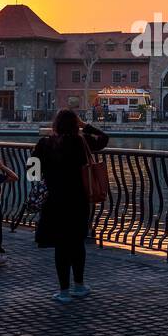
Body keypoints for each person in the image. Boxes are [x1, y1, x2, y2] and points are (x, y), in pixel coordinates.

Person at [33, 109, 108, 303]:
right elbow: (104, 138)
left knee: (61, 245)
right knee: (76, 243)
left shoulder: (45, 144)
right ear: (76, 125)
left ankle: (63, 290)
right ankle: (79, 285)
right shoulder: (82, 142)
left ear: (55, 125)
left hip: (55, 200)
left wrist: (46, 177)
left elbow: (31, 171)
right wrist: (86, 126)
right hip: (78, 199)